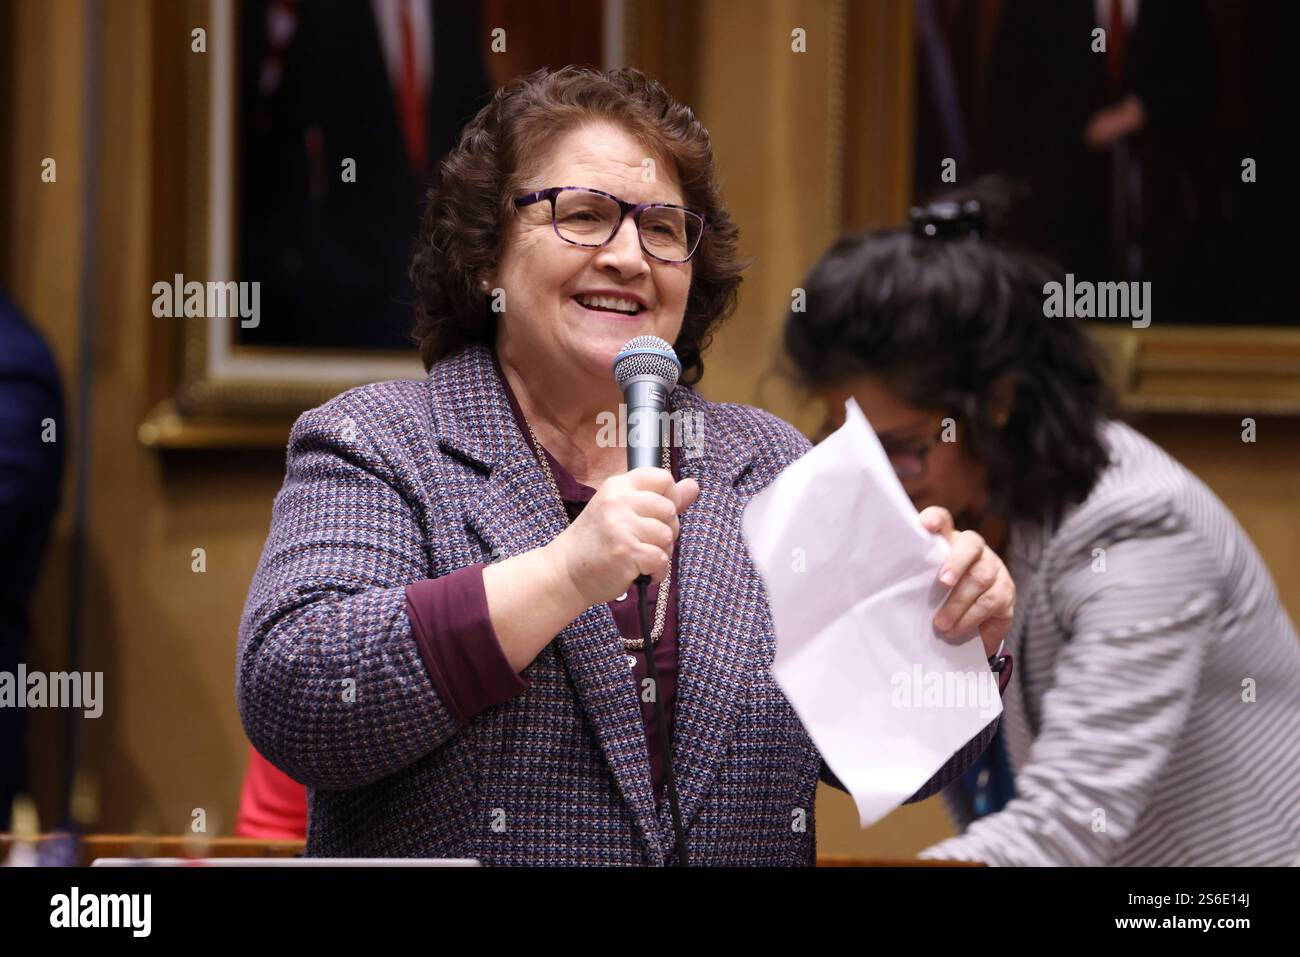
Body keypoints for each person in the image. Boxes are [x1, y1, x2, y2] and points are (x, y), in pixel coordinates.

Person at [236, 66, 1015, 865]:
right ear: (485, 254)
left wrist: (958, 638)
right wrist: (563, 575)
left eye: (664, 229)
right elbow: (297, 691)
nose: (629, 256)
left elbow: (893, 751)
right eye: (584, 216)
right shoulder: (380, 439)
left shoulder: (770, 462)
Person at [783, 198, 1300, 866]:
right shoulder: (953, 504)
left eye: (904, 447)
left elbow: (1064, 827)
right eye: (848, 439)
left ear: (998, 402)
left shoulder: (1137, 524)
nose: (876, 478)